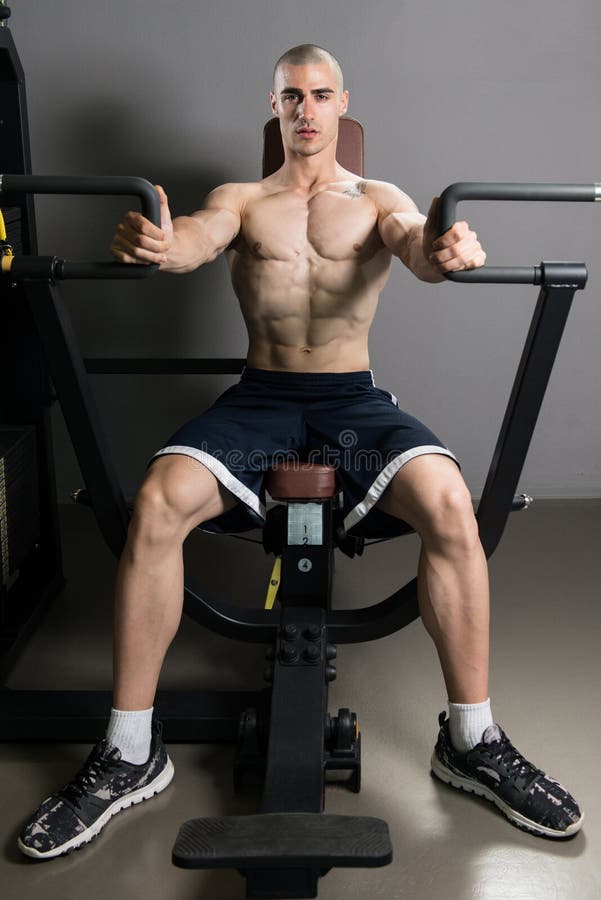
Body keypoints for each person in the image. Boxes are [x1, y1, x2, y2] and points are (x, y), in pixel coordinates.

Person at [18, 43, 582, 860]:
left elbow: (418, 247)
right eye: (292, 97)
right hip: (259, 400)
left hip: (350, 407)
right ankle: (130, 750)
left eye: (320, 95)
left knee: (451, 504)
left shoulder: (376, 197)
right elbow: (196, 241)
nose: (307, 111)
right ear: (274, 107)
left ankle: (470, 740)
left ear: (342, 103)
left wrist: (449, 250)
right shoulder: (241, 198)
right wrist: (157, 243)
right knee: (156, 502)